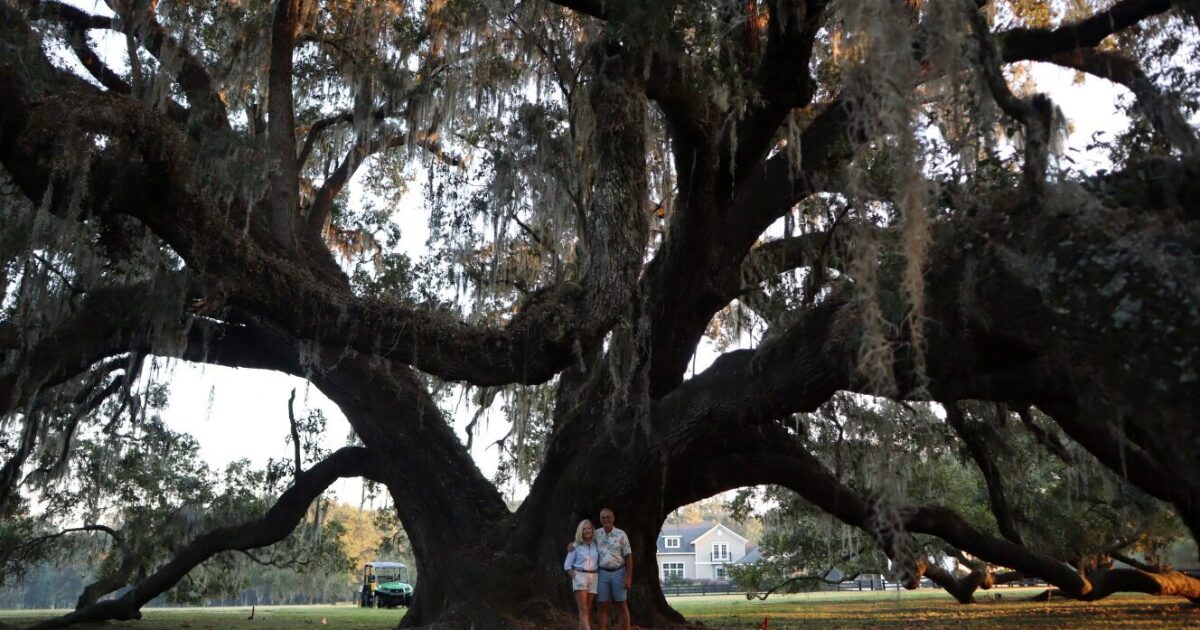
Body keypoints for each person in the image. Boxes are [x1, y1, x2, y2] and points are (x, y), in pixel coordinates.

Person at [594, 508, 632, 630]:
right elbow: (582, 542)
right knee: (602, 605)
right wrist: (571, 545)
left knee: (621, 604)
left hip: (619, 572)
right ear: (600, 519)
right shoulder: (596, 534)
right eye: (603, 517)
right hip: (602, 573)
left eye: (608, 517)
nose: (606, 519)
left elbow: (628, 557)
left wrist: (628, 577)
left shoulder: (621, 535)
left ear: (613, 518)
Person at [564, 519, 599, 630]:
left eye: (589, 528)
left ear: (592, 530)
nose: (587, 531)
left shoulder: (596, 544)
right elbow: (567, 566)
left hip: (594, 577)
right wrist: (576, 578)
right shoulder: (575, 546)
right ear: (580, 531)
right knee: (583, 610)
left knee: (587, 610)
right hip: (580, 576)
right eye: (584, 529)